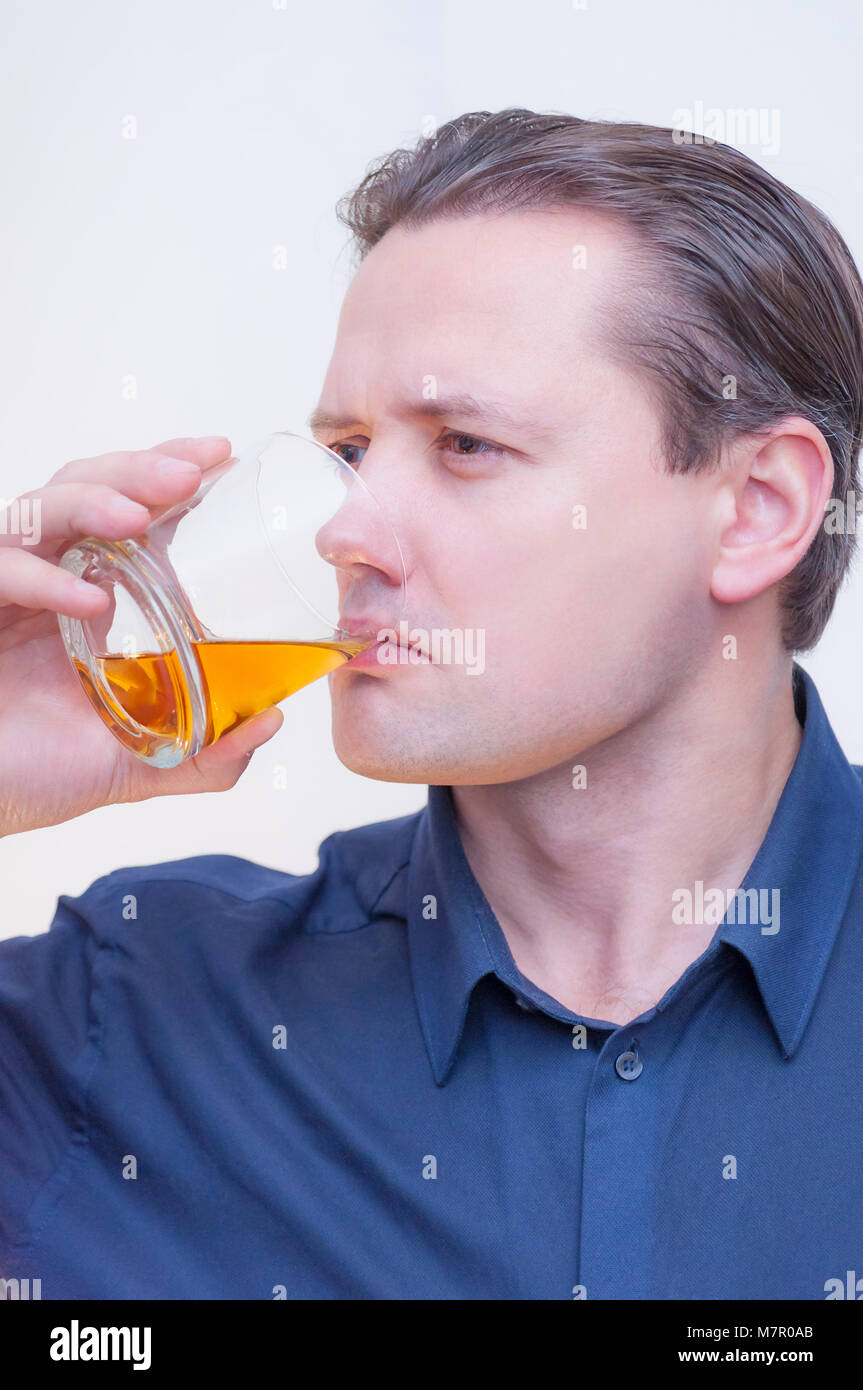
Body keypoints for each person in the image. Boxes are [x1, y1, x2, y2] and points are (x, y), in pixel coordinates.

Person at [2, 107, 862, 1301]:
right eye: (349, 449)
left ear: (759, 506)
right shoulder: (123, 1016)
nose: (344, 531)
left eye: (462, 444)